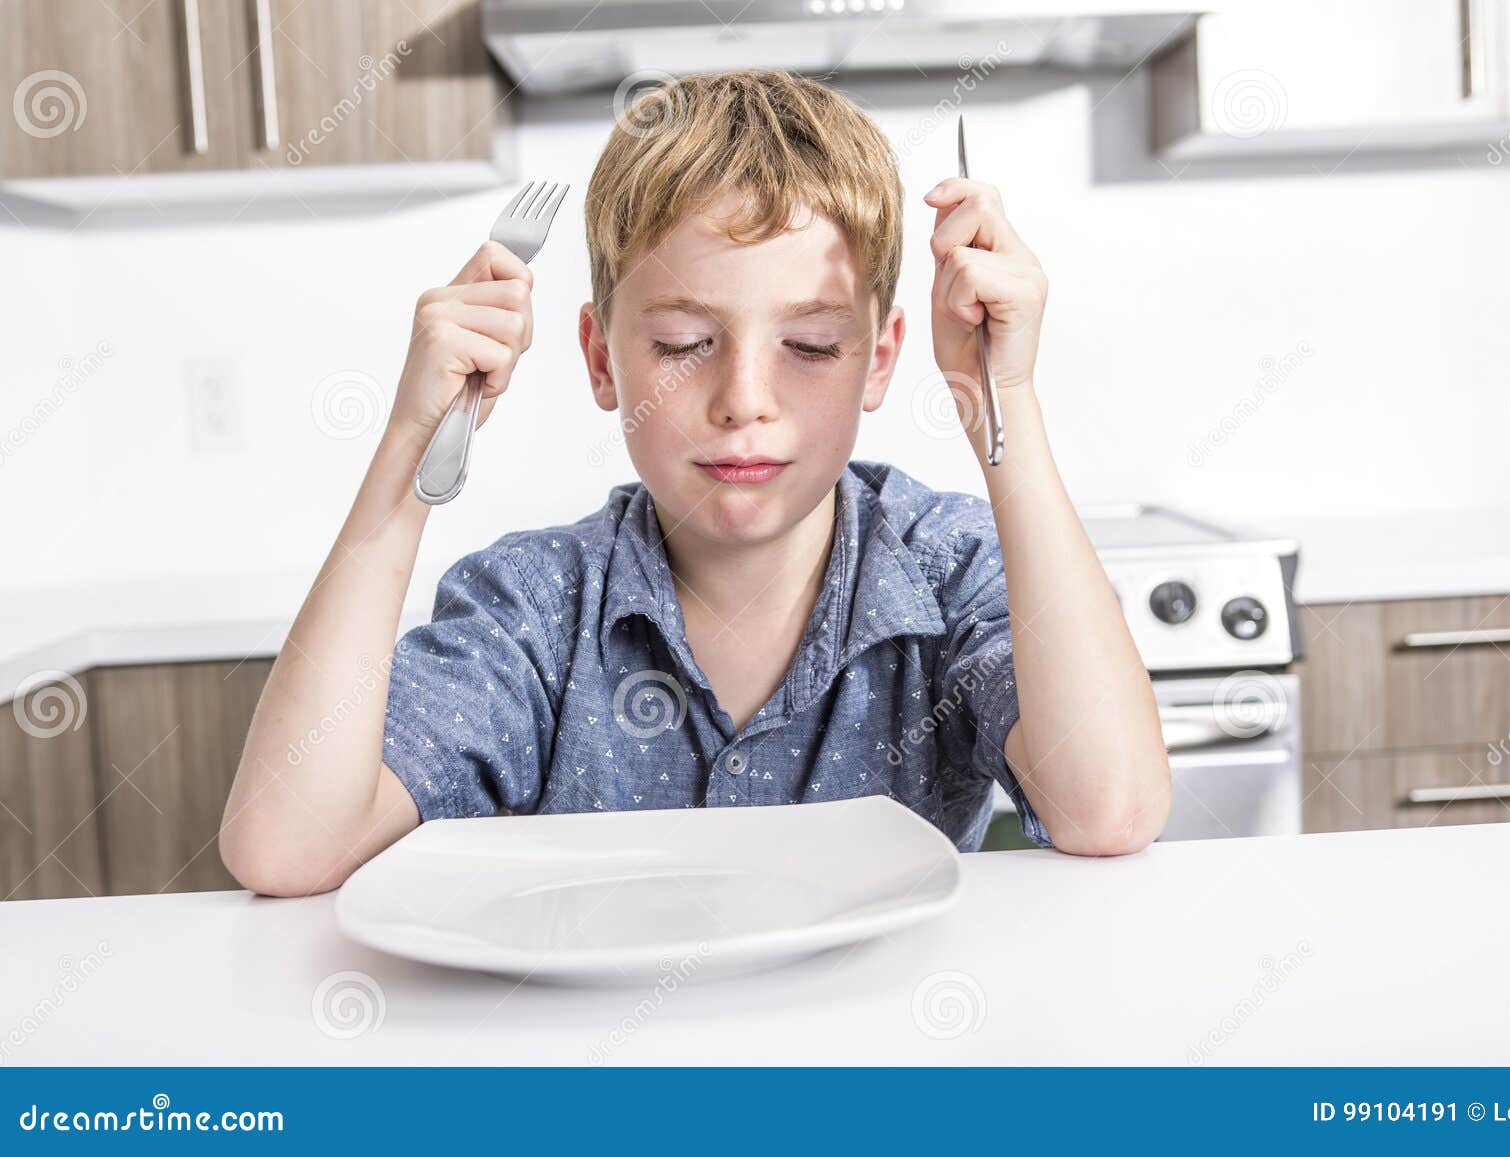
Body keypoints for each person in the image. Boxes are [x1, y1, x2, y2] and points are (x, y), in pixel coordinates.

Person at [219, 68, 1170, 897]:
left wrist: (1003, 401)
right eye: (683, 346)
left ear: (879, 358)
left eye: (809, 345)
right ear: (602, 360)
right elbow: (289, 846)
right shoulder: (533, 612)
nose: (744, 401)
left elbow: (1110, 805)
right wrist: (407, 455)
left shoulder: (945, 570)